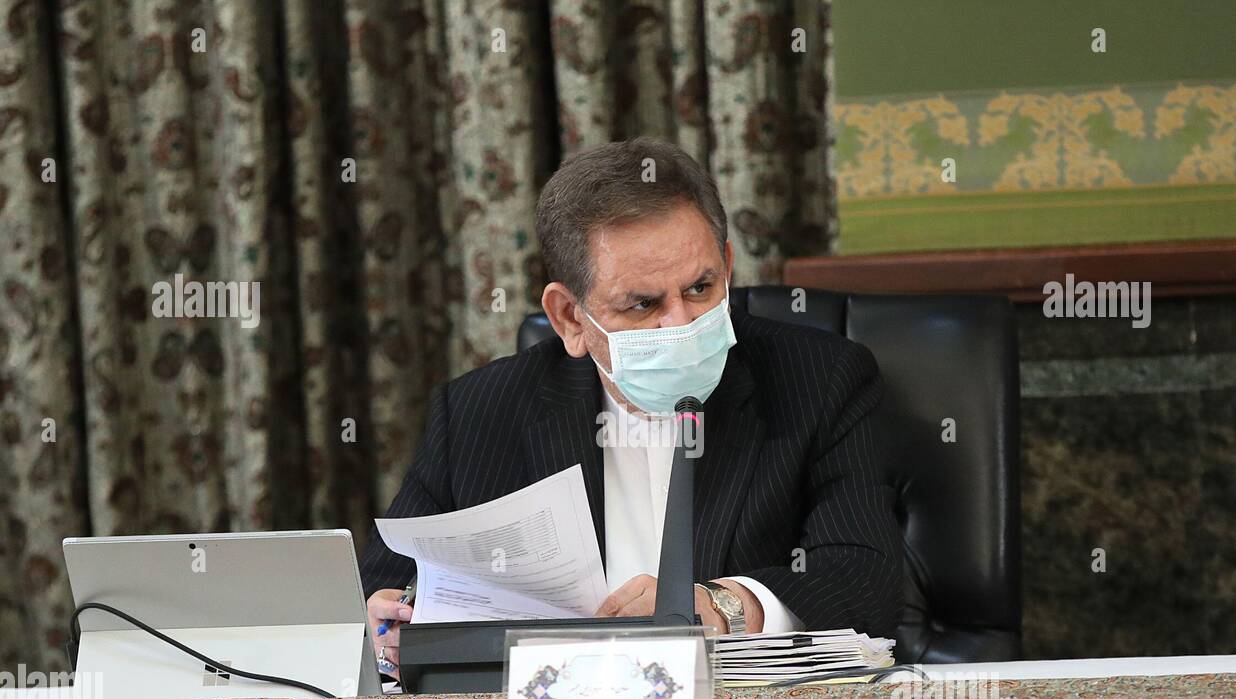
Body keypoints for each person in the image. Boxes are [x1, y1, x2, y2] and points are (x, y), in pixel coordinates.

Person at [362, 137, 902, 668]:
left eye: (701, 288)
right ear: (570, 318)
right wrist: (387, 616)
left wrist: (721, 605)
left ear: (729, 265)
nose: (681, 324)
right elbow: (385, 587)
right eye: (643, 304)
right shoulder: (480, 412)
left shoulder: (820, 380)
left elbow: (863, 578)